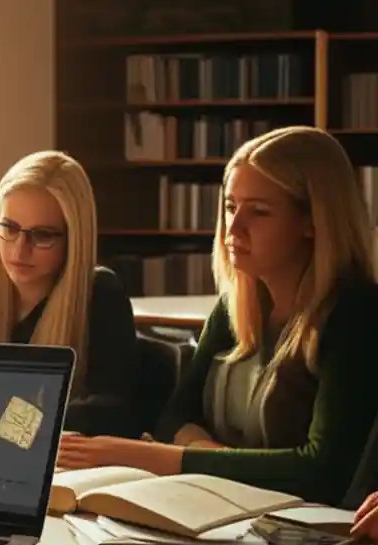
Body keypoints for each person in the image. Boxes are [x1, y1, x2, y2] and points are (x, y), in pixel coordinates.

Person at [58, 126, 378, 507]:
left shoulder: (355, 312)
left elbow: (322, 473)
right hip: (219, 508)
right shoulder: (236, 305)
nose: (233, 227)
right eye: (230, 206)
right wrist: (217, 462)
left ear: (313, 222)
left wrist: (152, 455)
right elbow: (173, 418)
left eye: (258, 211)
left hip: (312, 532)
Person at [0, 150, 138, 437]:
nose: (20, 250)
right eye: (9, 227)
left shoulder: (99, 296)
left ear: (74, 238)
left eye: (42, 235)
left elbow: (115, 413)